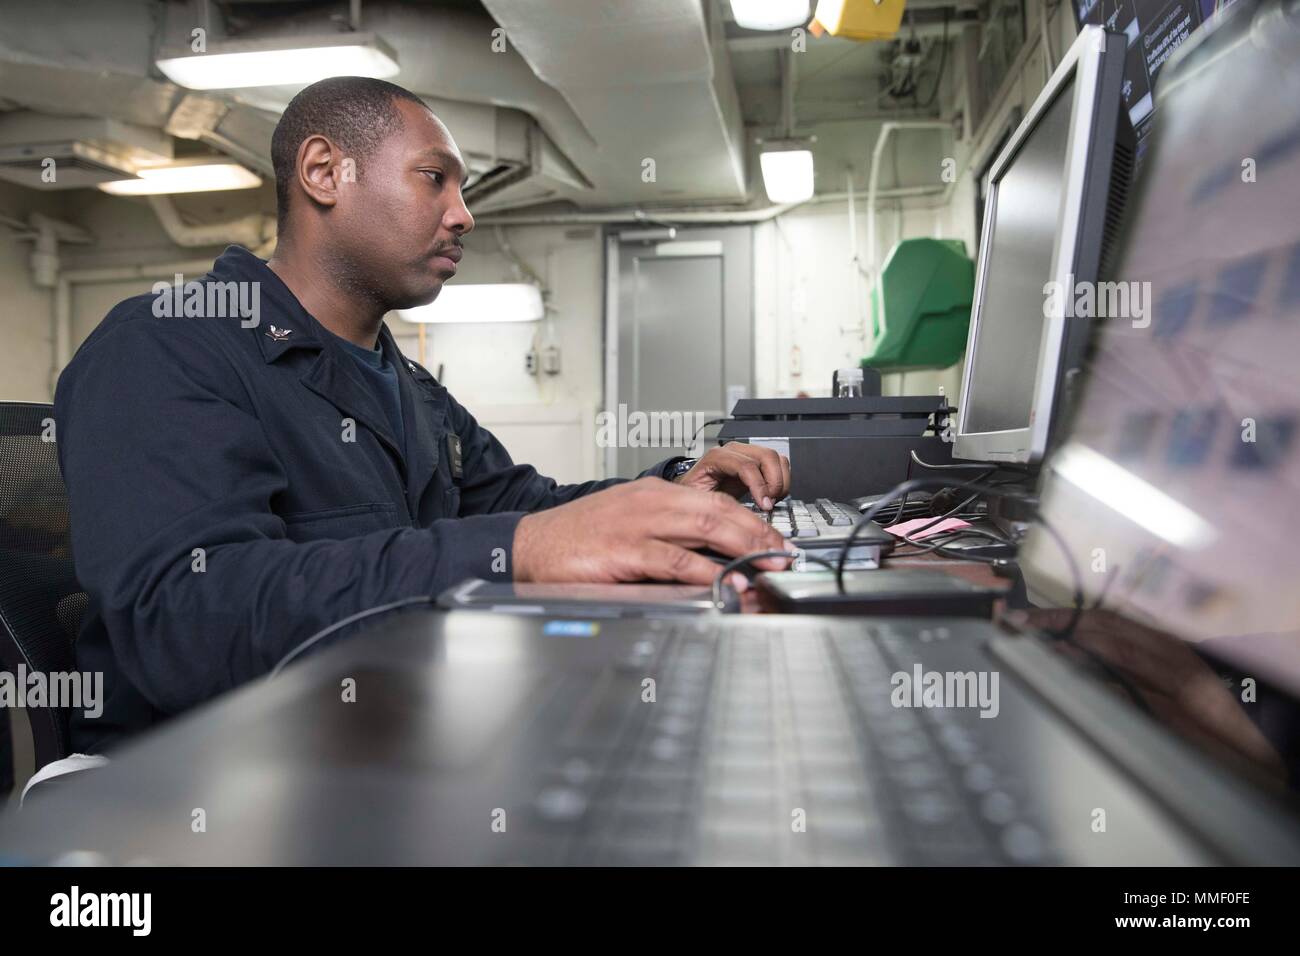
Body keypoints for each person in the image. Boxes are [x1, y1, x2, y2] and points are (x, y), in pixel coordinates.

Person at [53, 76, 791, 753]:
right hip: (197, 775)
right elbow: (188, 621)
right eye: (434, 179)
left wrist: (672, 491)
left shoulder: (404, 383)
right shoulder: (168, 344)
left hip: (376, 729)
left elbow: (522, 506)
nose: (463, 215)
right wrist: (517, 549)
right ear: (323, 173)